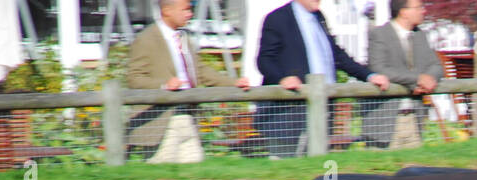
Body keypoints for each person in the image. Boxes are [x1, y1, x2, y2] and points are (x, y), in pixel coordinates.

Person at [255, 0, 390, 156]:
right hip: (288, 116)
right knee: (287, 171)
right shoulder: (278, 18)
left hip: (321, 112)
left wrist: (369, 75)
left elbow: (337, 56)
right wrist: (282, 79)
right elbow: (265, 60)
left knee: (317, 170)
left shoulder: (318, 17)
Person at [127, 0, 251, 163]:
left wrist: (232, 82)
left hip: (188, 116)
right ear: (167, 11)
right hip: (162, 121)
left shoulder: (183, 37)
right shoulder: (146, 39)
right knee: (163, 177)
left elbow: (200, 71)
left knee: (193, 174)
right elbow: (134, 78)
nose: (190, 14)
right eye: (185, 9)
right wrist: (163, 85)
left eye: (190, 9)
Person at [362, 0, 442, 149]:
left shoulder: (420, 36)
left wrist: (430, 79)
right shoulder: (379, 34)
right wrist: (417, 80)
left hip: (413, 119)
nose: (423, 11)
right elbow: (379, 68)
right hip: (385, 122)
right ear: (403, 12)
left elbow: (436, 65)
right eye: (419, 7)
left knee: (415, 169)